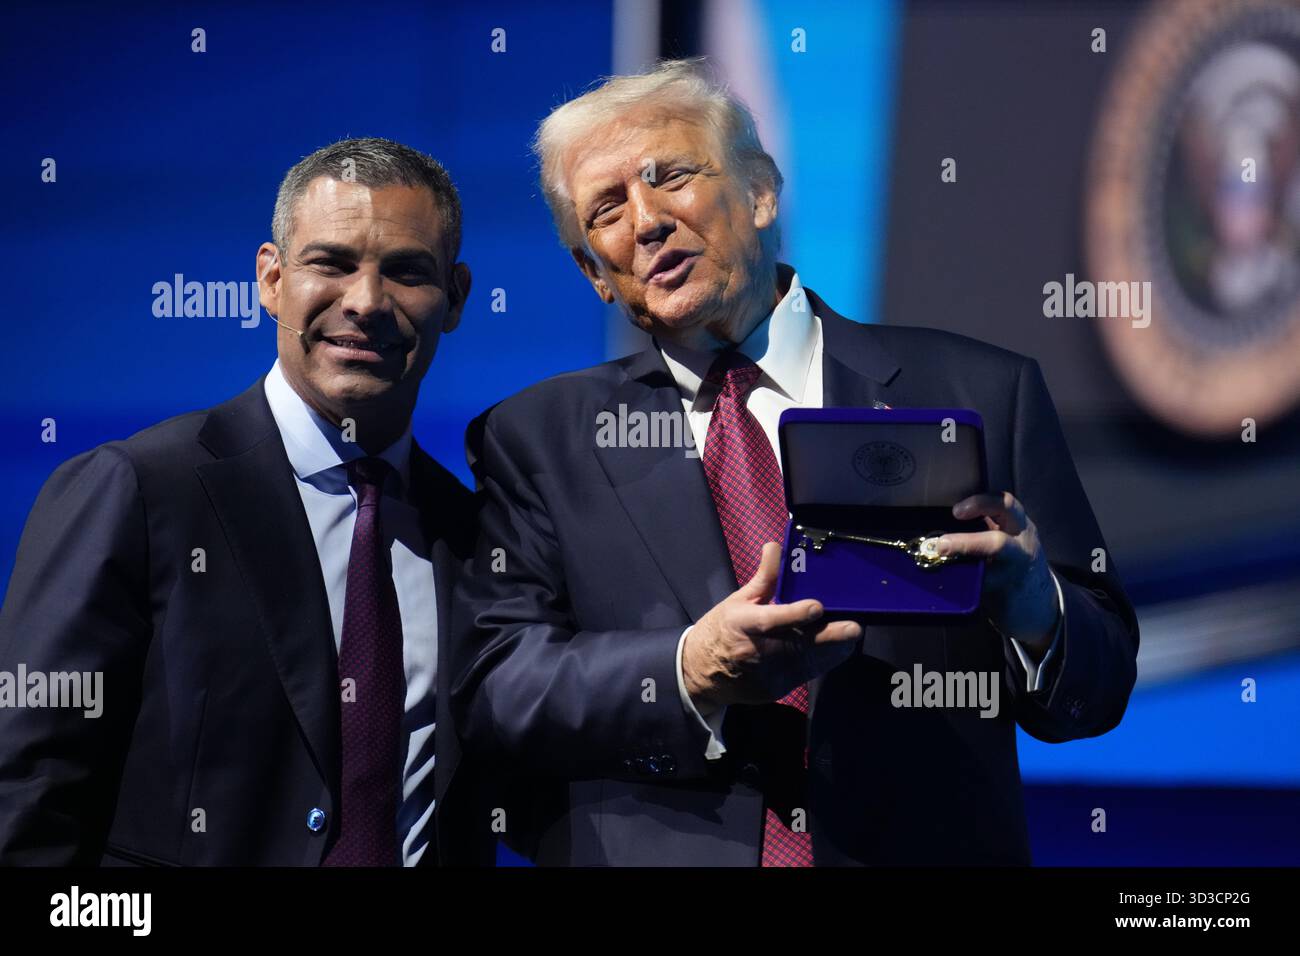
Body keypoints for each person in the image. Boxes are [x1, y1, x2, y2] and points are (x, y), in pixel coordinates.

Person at [452, 60, 1139, 866]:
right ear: (592, 273)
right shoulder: (536, 438)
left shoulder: (978, 390)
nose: (645, 222)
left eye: (668, 176)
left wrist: (1031, 606)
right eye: (606, 210)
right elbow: (499, 689)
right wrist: (688, 670)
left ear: (761, 192)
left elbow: (1097, 693)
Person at [0, 137, 491, 866]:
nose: (365, 301)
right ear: (270, 279)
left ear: (453, 299)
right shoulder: (136, 488)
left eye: (405, 271)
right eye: (330, 262)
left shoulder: (476, 534)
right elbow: (29, 797)